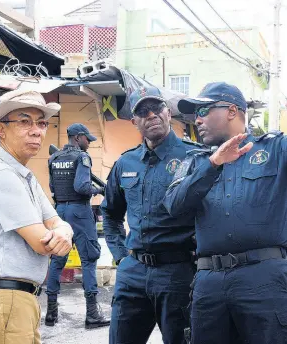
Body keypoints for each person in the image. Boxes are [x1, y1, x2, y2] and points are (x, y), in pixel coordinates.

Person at [164, 81, 287, 344]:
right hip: (209, 282)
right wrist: (213, 164)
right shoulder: (195, 162)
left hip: (265, 278)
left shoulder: (275, 149)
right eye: (195, 113)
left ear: (232, 110)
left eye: (204, 110)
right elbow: (174, 206)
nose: (197, 119)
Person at [101, 86, 200, 344]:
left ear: (168, 112)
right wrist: (121, 257)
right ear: (134, 121)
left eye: (157, 108)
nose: (152, 115)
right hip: (132, 273)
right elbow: (110, 214)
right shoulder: (126, 163)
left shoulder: (195, 157)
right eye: (143, 112)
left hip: (178, 273)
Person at [0, 89, 73, 344]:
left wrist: (64, 231)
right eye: (24, 121)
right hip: (5, 300)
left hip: (13, 300)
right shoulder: (1, 174)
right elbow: (43, 243)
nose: (36, 130)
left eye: (41, 123)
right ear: (1, 129)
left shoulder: (22, 175)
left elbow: (56, 222)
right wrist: (60, 235)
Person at [45, 123, 110, 329]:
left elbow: (53, 187)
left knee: (57, 260)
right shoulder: (82, 158)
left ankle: (51, 314)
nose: (89, 143)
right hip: (79, 213)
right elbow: (81, 187)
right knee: (89, 259)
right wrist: (100, 189)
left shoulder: (54, 158)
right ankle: (92, 314)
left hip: (60, 212)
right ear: (78, 137)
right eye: (87, 139)